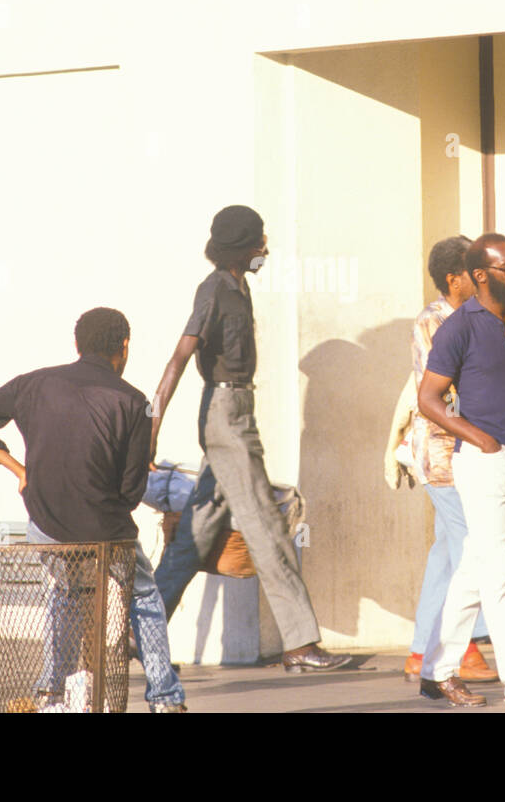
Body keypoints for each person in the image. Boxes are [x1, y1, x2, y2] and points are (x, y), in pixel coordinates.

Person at [150, 205, 351, 674]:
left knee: (196, 534)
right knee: (267, 526)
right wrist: (150, 429)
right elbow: (179, 357)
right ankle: (300, 643)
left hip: (237, 410)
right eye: (260, 241)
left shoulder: (239, 288)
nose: (266, 249)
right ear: (241, 246)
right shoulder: (215, 288)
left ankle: (142, 633)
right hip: (226, 416)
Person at [0, 307, 187, 712]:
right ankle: (165, 699)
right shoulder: (135, 402)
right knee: (145, 597)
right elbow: (132, 490)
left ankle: (52, 694)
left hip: (46, 522)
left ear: (77, 345)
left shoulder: (34, 383)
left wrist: (17, 470)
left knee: (64, 594)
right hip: (106, 527)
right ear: (125, 347)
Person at [416, 233, 505, 712]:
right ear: (481, 275)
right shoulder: (459, 327)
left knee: (477, 570)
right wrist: (477, 437)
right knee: (499, 575)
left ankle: (437, 671)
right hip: (482, 461)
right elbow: (428, 399)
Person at [403, 236, 496, 683]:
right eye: (470, 272)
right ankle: (464, 647)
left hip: (465, 448)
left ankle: (421, 651)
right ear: (451, 279)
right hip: (443, 450)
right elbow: (435, 394)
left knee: (446, 553)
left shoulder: (472, 316)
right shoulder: (434, 320)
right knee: (469, 549)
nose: (478, 278)